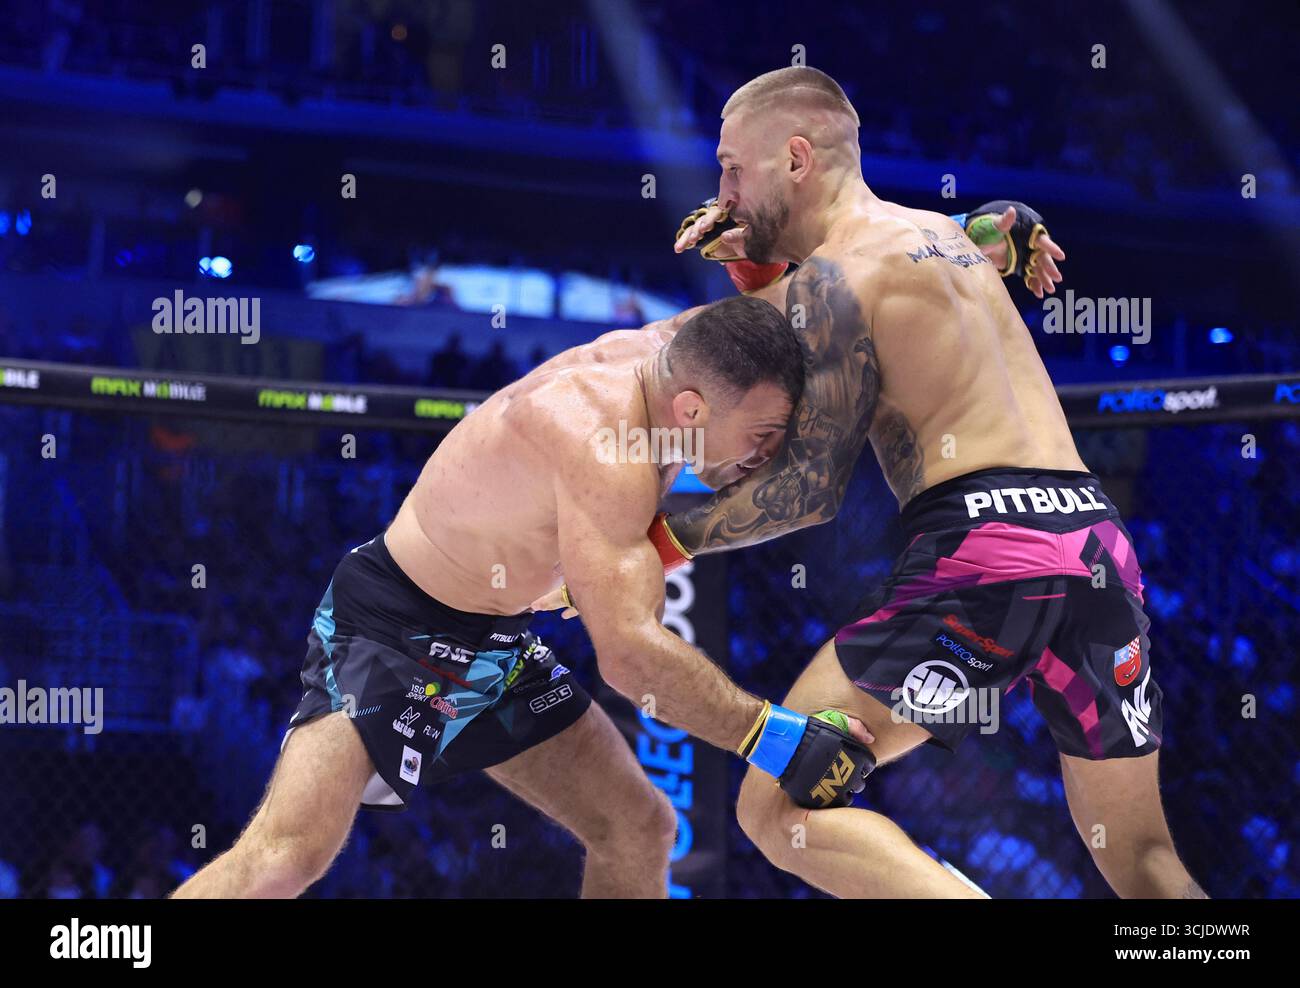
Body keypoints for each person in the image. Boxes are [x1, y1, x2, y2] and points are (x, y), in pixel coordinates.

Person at [549, 66, 1204, 899]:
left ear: (795, 158)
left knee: (780, 806)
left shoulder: (836, 280)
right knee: (1143, 856)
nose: (721, 192)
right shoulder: (942, 234)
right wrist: (1011, 223)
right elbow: (989, 233)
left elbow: (808, 491)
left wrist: (649, 546)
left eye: (731, 169)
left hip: (985, 551)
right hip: (1097, 544)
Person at [171, 295, 872, 899]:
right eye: (761, 435)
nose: (768, 455)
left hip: (491, 640)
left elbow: (813, 286)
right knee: (284, 859)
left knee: (638, 827)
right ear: (690, 407)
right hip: (393, 629)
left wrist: (968, 239)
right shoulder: (605, 446)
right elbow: (629, 658)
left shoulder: (691, 348)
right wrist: (781, 741)